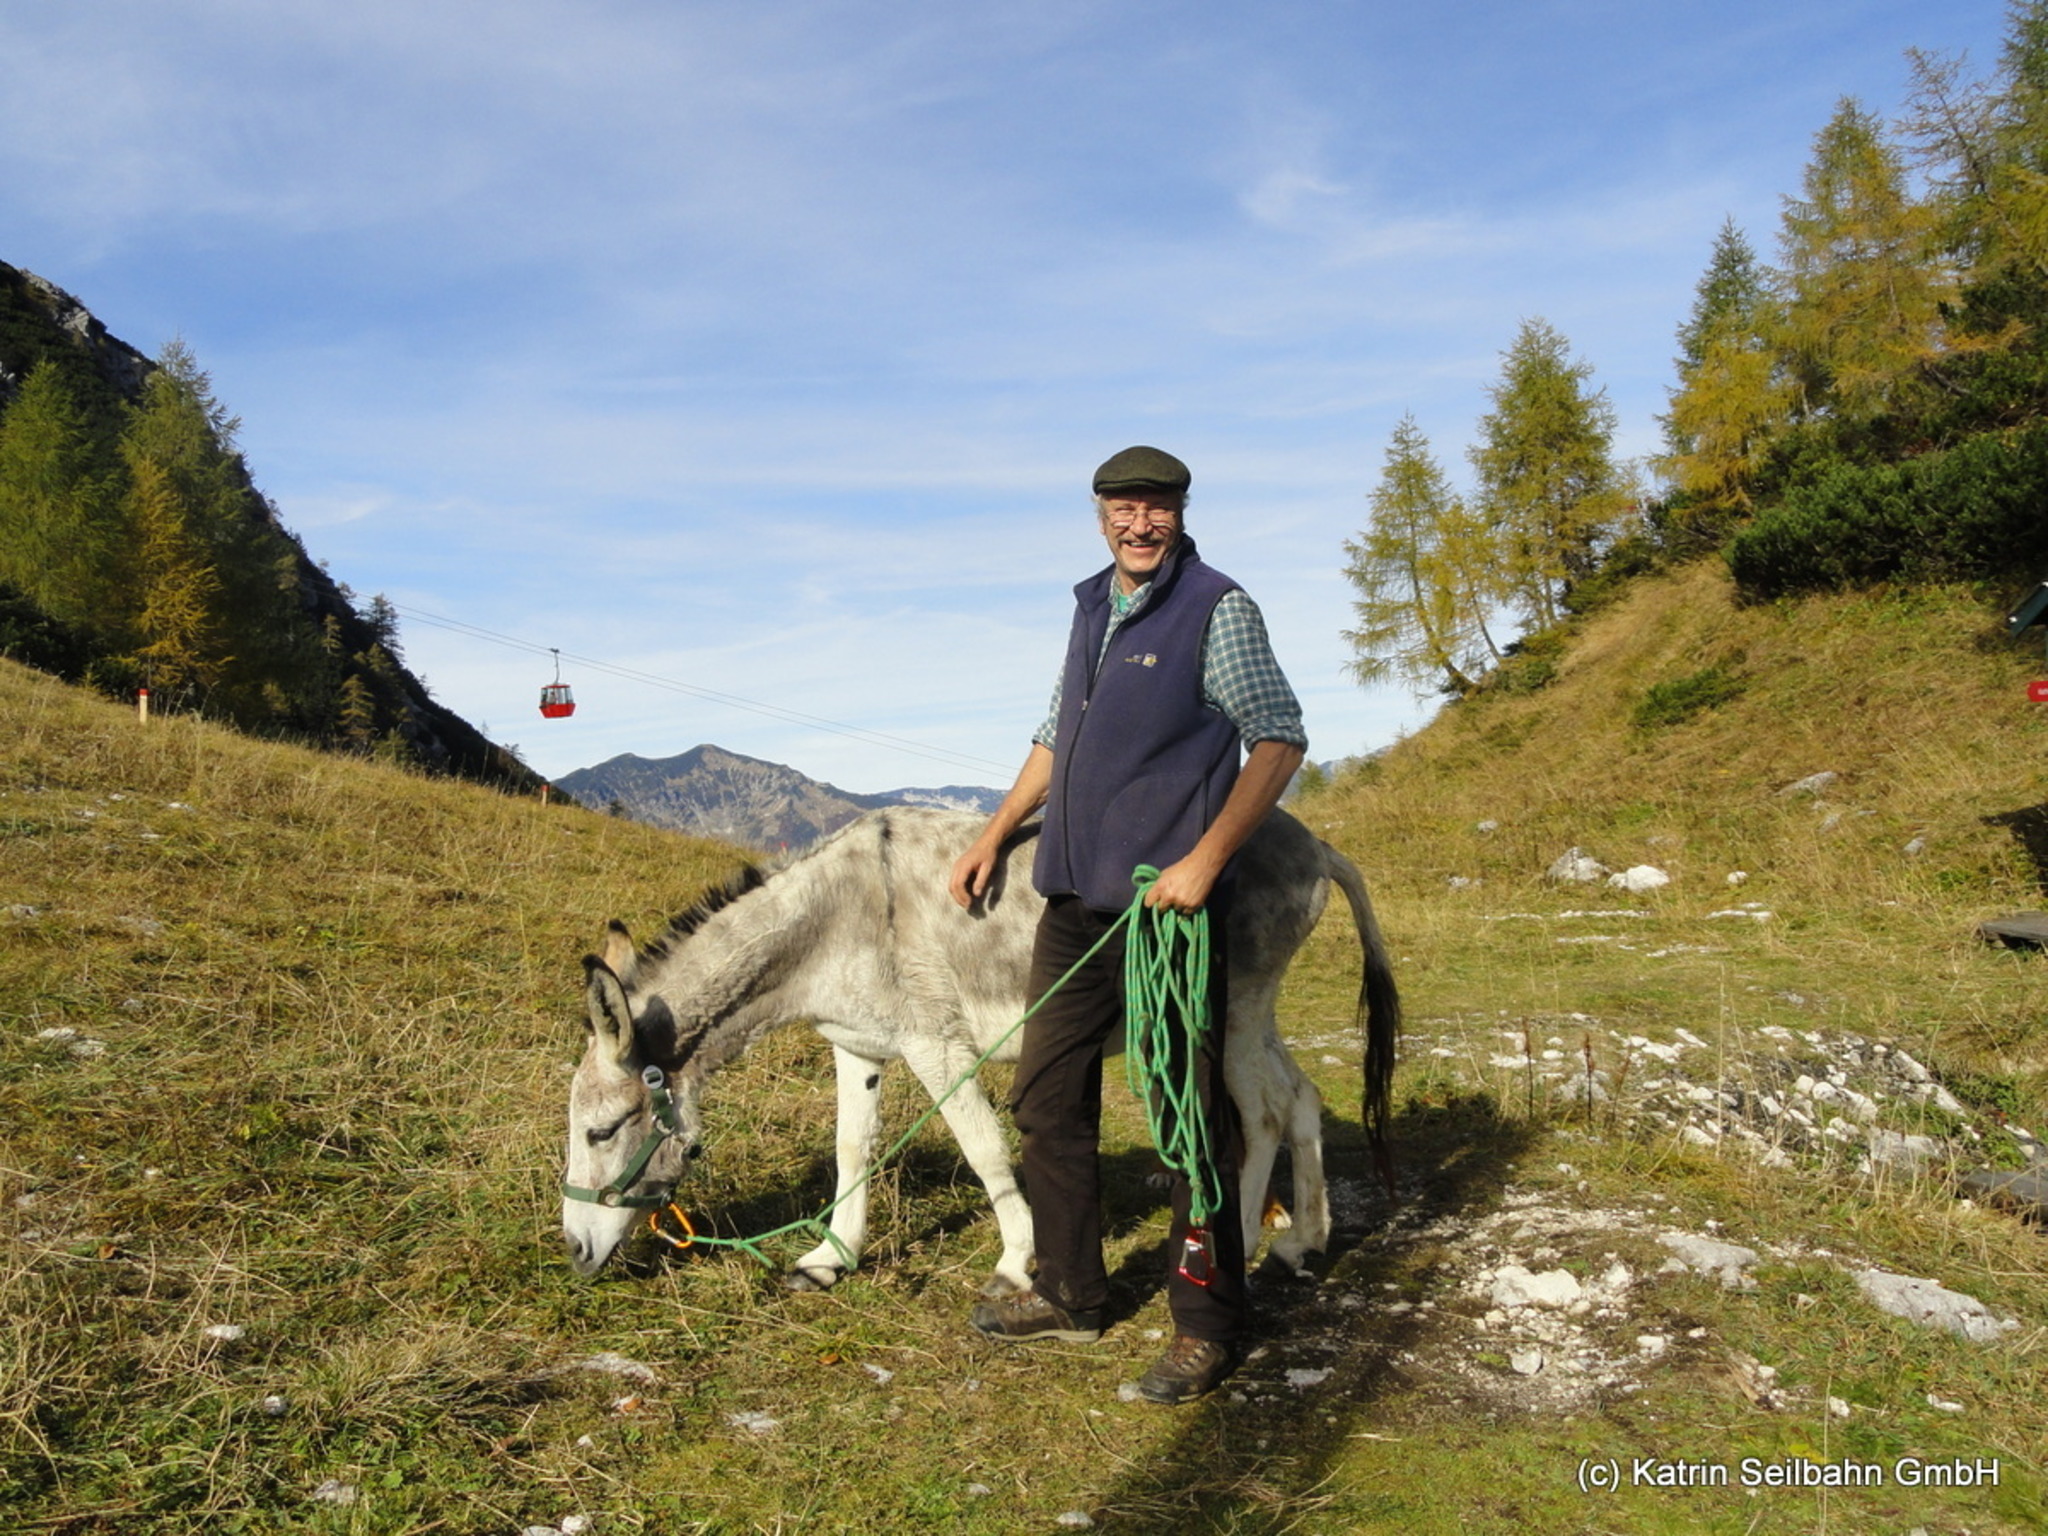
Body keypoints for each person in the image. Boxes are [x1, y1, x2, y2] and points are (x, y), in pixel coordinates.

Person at [947, 445, 1307, 1404]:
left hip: (1167, 916)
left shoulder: (1218, 607)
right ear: (1099, 514)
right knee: (1044, 1097)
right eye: (1123, 509)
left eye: (1157, 509)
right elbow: (1054, 735)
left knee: (1188, 1120)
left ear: (1182, 512)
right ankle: (1072, 1289)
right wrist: (993, 834)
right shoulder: (1091, 608)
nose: (1139, 525)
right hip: (1073, 899)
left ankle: (1208, 1325)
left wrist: (1204, 861)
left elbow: (1279, 737)